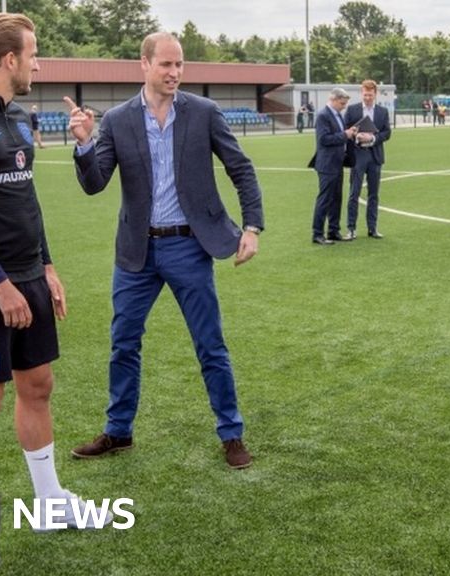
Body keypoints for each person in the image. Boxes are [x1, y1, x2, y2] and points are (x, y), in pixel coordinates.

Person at [0, 13, 111, 571]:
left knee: (39, 387)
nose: (39, 63)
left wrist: (47, 266)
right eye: (34, 54)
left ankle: (52, 503)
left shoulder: (18, 116)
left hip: (29, 277)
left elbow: (24, 203)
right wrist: (0, 282)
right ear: (10, 59)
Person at [66, 32, 263, 470]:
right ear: (144, 64)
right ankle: (118, 432)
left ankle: (231, 433)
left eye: (179, 65)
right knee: (123, 344)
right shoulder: (117, 120)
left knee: (210, 345)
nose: (174, 73)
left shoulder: (204, 113)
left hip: (189, 248)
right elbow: (95, 183)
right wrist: (84, 142)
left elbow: (241, 169)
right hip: (137, 253)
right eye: (166, 65)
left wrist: (251, 227)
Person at [344, 79, 392, 239]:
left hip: (375, 156)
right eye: (365, 95)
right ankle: (351, 229)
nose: (368, 98)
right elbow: (345, 131)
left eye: (370, 95)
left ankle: (372, 228)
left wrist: (372, 138)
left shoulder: (382, 112)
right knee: (354, 193)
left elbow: (387, 133)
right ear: (361, 93)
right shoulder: (352, 110)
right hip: (358, 155)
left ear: (375, 94)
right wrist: (357, 136)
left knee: (374, 194)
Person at [308, 87, 356, 245]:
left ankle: (333, 230)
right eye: (342, 103)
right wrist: (345, 135)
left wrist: (350, 133)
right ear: (334, 99)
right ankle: (317, 233)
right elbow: (324, 139)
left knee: (336, 198)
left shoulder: (338, 116)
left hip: (337, 163)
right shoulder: (323, 115)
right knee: (325, 199)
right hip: (327, 164)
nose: (344, 106)